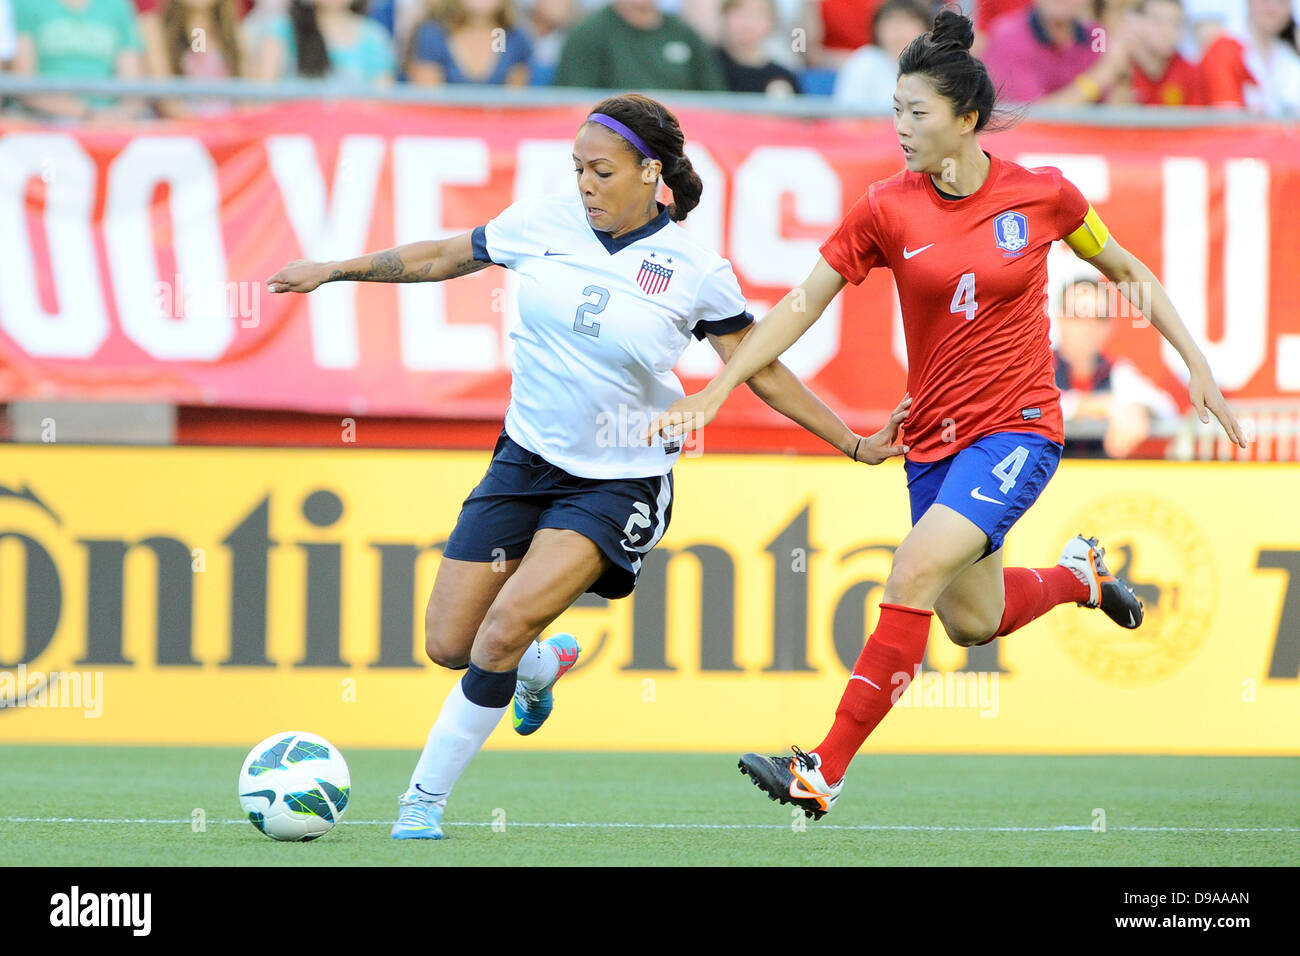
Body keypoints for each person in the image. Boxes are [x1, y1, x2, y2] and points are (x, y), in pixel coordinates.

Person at [645, 10, 1246, 819]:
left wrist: (1195, 361)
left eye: (916, 113)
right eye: (895, 111)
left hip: (1020, 427)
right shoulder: (885, 208)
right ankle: (1081, 577)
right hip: (932, 440)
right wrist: (716, 389)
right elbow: (797, 306)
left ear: (966, 119)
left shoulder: (1045, 194)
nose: (900, 128)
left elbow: (1126, 268)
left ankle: (822, 769)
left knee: (913, 571)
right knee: (973, 620)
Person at [267, 93, 912, 839]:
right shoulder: (542, 223)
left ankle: (422, 804)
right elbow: (444, 255)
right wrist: (333, 269)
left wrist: (856, 442)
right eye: (577, 168)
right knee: (450, 643)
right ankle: (541, 667)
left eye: (600, 171)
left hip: (619, 479)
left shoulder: (695, 272)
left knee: (500, 630)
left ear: (651, 171)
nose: (584, 185)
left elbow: (761, 371)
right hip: (523, 459)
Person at [1054, 275, 1179, 458]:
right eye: (1079, 316)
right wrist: (1098, 406)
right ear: (1060, 319)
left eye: (1098, 318)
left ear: (1109, 326)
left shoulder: (1115, 370)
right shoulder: (1039, 367)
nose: (1088, 328)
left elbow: (1165, 407)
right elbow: (1032, 407)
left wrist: (1138, 410)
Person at [11, 0, 150, 120]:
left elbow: (132, 87)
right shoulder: (28, 3)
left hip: (108, 120)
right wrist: (87, 114)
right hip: (44, 118)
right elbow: (24, 85)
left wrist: (117, 116)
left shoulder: (117, 6)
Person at [553, 0, 727, 91]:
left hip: (681, 143)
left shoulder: (686, 35)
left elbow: (714, 100)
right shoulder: (587, 34)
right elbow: (571, 103)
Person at [981, 0, 1131, 104]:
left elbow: (1118, 104)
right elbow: (1032, 118)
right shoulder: (1007, 35)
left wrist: (1121, 79)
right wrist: (1100, 77)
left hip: (1091, 143)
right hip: (1029, 145)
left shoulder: (1097, 35)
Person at [254, 0, 395, 85]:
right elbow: (263, 97)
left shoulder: (374, 37)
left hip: (353, 131)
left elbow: (381, 102)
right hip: (291, 130)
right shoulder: (282, 30)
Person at [145, 0, 247, 117]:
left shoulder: (233, 29)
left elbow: (246, 94)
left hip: (230, 127)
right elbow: (166, 99)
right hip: (184, 128)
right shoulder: (155, 27)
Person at [1199, 0, 1300, 116]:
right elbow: (1227, 121)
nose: (1272, 7)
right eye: (1264, 1)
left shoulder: (1288, 55)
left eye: (1282, 2)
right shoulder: (1223, 50)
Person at [406, 0, 532, 85]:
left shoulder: (515, 38)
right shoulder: (433, 34)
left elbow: (514, 106)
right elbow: (428, 103)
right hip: (442, 123)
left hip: (496, 124)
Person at [834, 0, 930, 108]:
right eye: (890, 21)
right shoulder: (862, 62)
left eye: (908, 21)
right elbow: (846, 117)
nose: (899, 31)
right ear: (876, 29)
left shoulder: (939, 62)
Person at [1128, 0, 1204, 105]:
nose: (1167, 30)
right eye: (1157, 21)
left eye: (1175, 23)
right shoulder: (1121, 67)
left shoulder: (1191, 73)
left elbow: (1196, 119)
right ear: (1136, 22)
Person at [715, 0, 801, 94]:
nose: (747, 24)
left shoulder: (782, 77)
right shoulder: (707, 65)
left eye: (756, 15)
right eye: (739, 13)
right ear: (724, 16)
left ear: (772, 21)